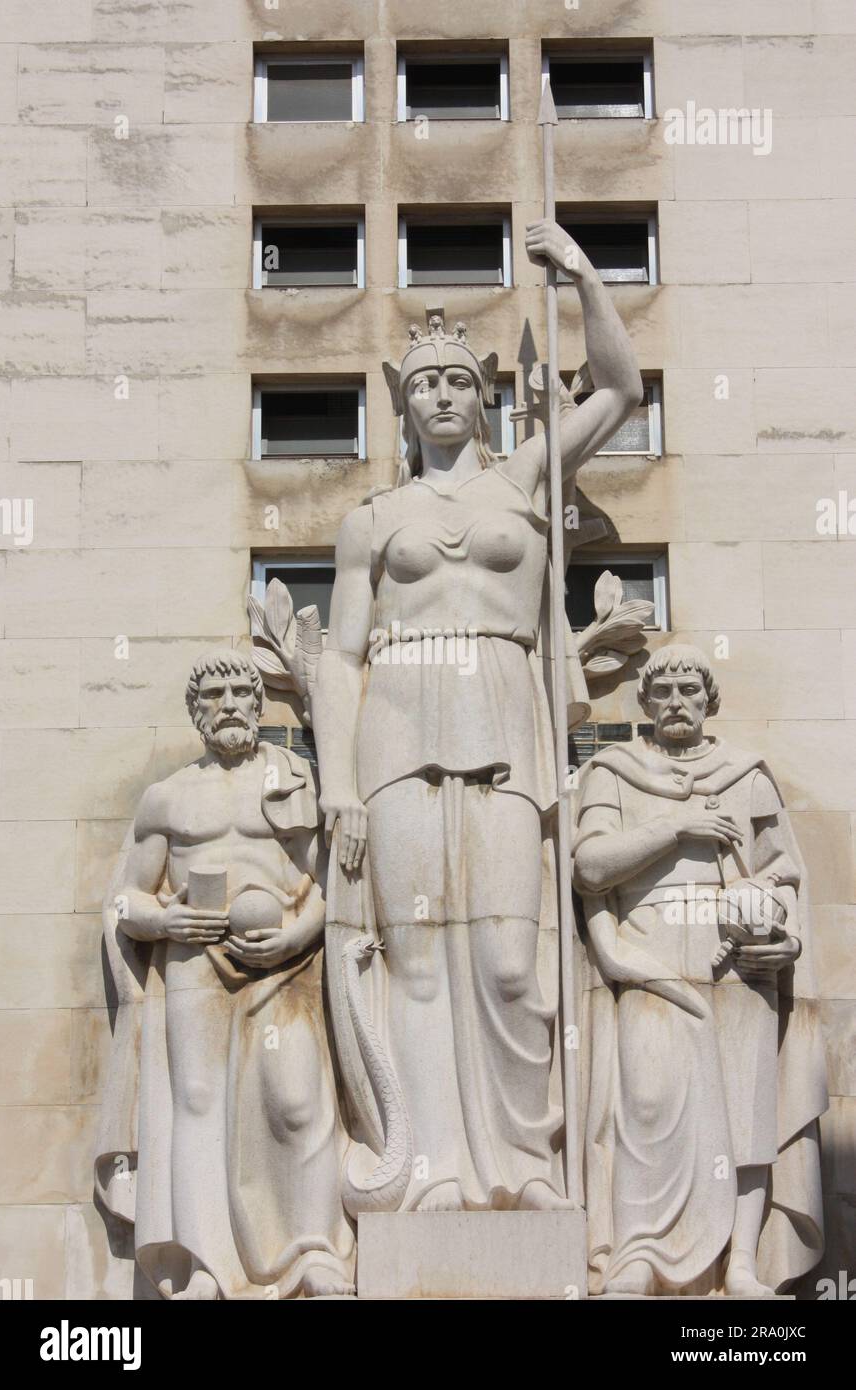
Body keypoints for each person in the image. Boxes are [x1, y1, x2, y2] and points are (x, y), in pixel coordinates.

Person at [312, 219, 644, 1212]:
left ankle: (518, 1166)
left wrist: (583, 273)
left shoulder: (526, 480)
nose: (441, 395)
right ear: (402, 406)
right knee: (414, 958)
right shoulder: (371, 519)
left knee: (507, 961)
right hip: (397, 731)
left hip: (503, 722)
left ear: (484, 396)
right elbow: (337, 656)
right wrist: (335, 784)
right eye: (423, 385)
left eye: (458, 381)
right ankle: (423, 1168)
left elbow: (620, 391)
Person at [95, 650, 355, 1298]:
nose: (231, 705)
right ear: (196, 712)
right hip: (192, 962)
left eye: (243, 691)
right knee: (197, 1104)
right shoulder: (170, 797)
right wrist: (163, 924)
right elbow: (128, 899)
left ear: (259, 704)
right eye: (215, 697)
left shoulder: (292, 779)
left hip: (283, 961)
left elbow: (330, 883)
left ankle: (313, 1250)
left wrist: (298, 932)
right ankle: (204, 1265)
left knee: (297, 1101)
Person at [574, 644, 828, 1296]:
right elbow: (592, 867)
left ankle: (741, 1261)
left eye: (691, 689)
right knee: (647, 1104)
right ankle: (638, 1253)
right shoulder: (613, 771)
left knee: (747, 1115)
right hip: (649, 955)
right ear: (647, 702)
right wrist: (678, 826)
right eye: (664, 691)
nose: (677, 701)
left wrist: (786, 939)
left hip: (739, 961)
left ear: (709, 700)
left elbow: (786, 872)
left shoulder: (746, 774)